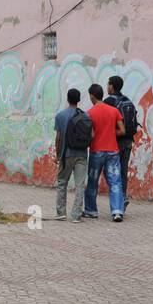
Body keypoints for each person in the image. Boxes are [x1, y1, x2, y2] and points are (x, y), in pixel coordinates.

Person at [85, 83, 126, 221]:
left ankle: (91, 210)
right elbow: (122, 131)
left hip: (96, 151)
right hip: (113, 151)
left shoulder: (90, 113)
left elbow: (90, 135)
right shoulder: (114, 111)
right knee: (115, 182)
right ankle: (117, 211)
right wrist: (110, 132)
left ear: (92, 95)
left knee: (93, 181)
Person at [53, 88, 91, 222]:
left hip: (66, 154)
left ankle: (61, 212)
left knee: (62, 182)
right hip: (81, 154)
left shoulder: (60, 116)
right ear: (79, 100)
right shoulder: (85, 116)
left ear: (67, 99)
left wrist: (58, 155)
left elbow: (58, 138)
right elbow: (91, 136)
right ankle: (76, 215)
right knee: (80, 185)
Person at [104, 76, 140, 209]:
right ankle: (122, 197)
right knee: (123, 171)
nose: (107, 87)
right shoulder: (127, 100)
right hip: (128, 142)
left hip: (115, 142)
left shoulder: (109, 101)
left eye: (108, 85)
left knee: (110, 171)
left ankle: (119, 197)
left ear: (112, 86)